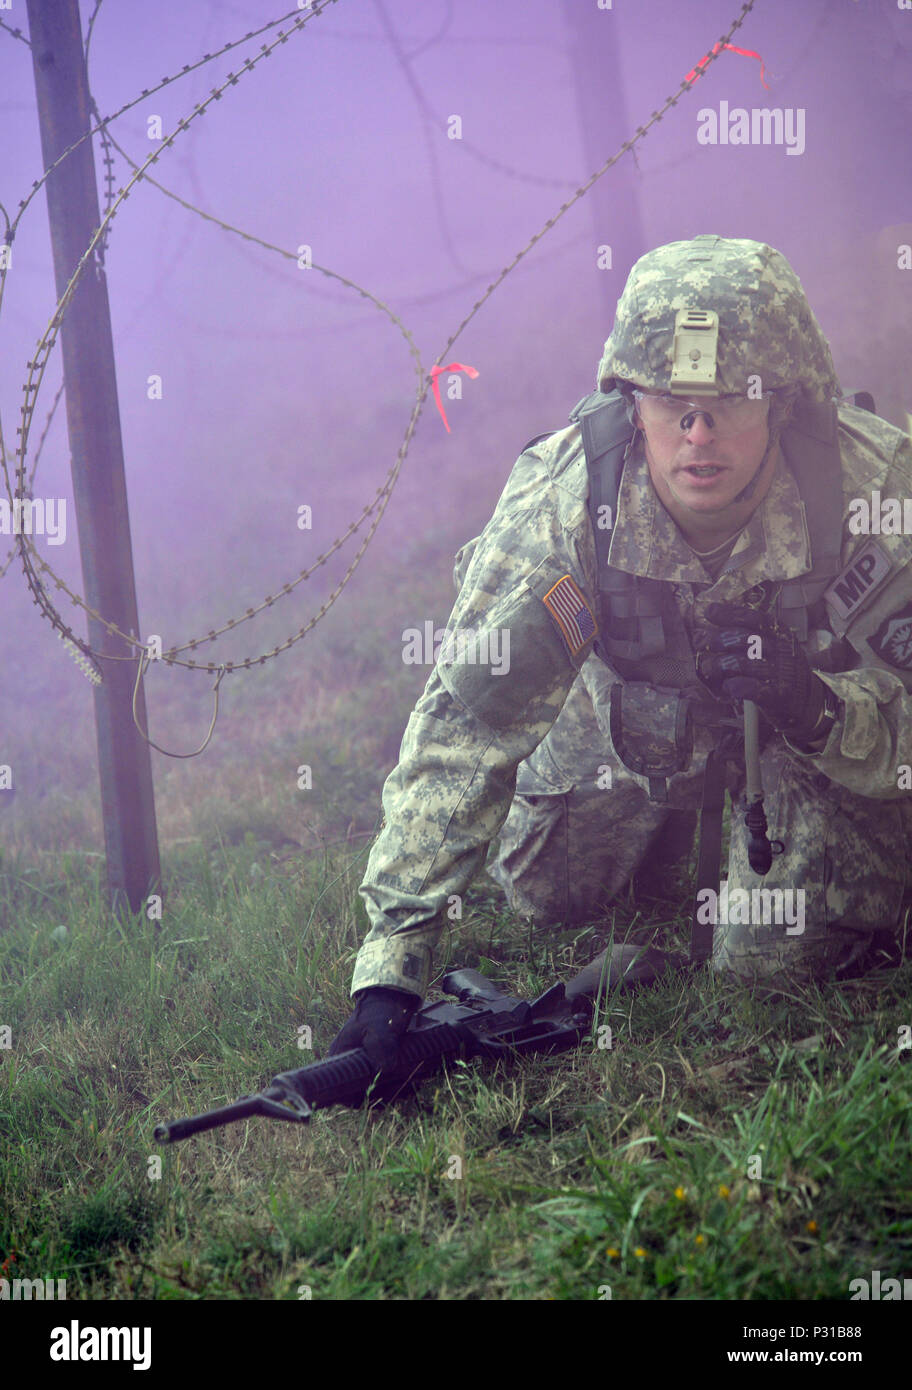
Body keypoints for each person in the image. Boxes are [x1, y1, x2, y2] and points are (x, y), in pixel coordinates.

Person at [329, 233, 912, 1068]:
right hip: (632, 713)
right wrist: (389, 975)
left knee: (763, 964)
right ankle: (672, 809)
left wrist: (815, 703)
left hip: (808, 739)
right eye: (672, 402)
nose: (698, 433)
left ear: (783, 402)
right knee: (543, 892)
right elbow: (464, 728)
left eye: (729, 402)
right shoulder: (565, 503)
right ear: (629, 401)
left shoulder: (875, 491)